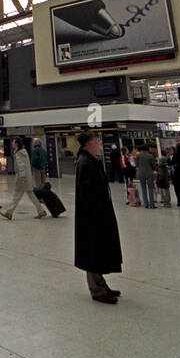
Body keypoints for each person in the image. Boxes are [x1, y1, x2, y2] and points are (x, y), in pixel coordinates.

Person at [74, 130, 122, 304]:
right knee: (93, 253)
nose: (100, 143)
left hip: (98, 214)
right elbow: (86, 193)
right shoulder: (85, 162)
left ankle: (102, 285)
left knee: (98, 252)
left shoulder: (91, 160)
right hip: (92, 217)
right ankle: (97, 290)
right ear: (90, 143)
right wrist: (95, 213)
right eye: (97, 140)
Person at [0, 136, 47, 220]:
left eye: (13, 142)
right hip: (26, 177)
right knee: (29, 194)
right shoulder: (24, 152)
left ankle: (9, 212)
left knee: (17, 195)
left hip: (22, 178)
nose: (12, 144)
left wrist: (22, 176)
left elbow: (21, 166)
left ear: (16, 144)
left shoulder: (18, 153)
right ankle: (41, 211)